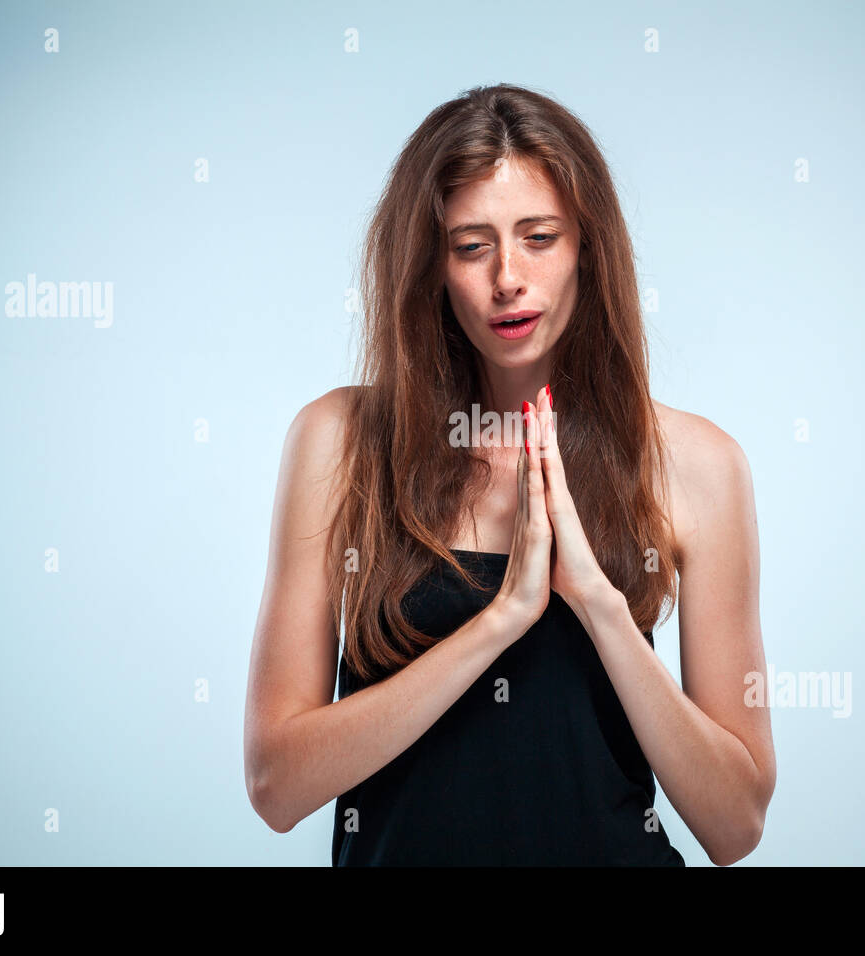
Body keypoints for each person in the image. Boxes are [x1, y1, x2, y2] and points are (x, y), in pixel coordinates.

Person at [243, 83, 775, 866]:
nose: (507, 278)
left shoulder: (698, 465)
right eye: (471, 246)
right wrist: (501, 621)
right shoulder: (339, 441)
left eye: (539, 237)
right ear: (431, 268)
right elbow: (276, 784)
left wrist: (598, 605)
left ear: (587, 251)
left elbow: (736, 828)